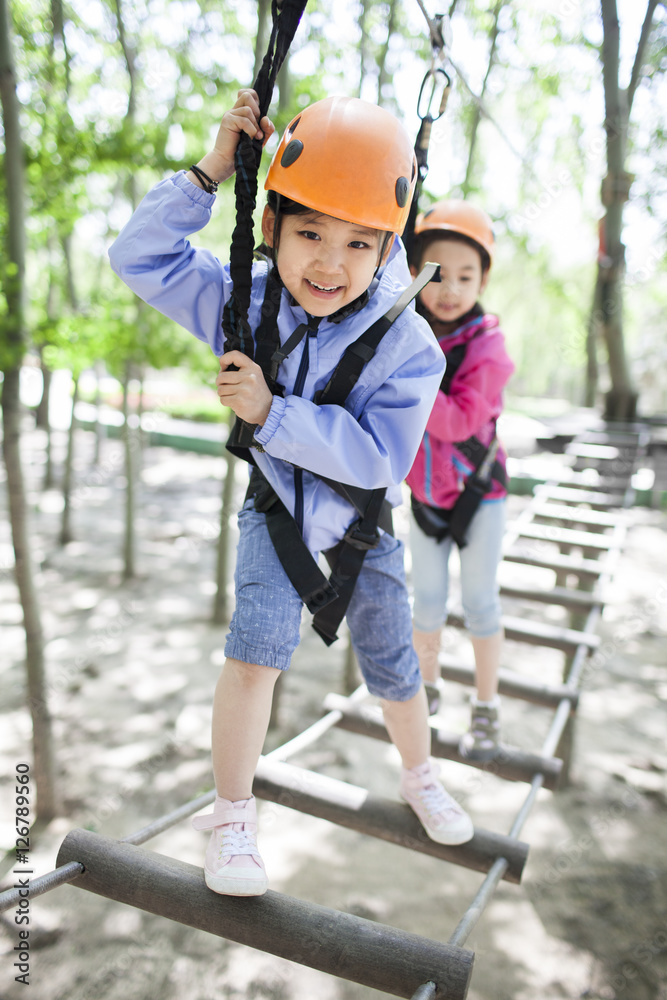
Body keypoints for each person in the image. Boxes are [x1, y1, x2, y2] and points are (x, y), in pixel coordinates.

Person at [109, 90, 474, 897]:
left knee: (392, 666)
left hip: (361, 531)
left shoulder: (407, 345)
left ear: (386, 251)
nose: (327, 263)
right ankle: (232, 814)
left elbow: (380, 458)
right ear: (270, 224)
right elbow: (137, 257)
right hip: (276, 514)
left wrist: (275, 414)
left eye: (356, 243)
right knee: (252, 656)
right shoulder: (247, 301)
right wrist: (212, 171)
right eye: (308, 232)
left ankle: (418, 772)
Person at [405, 200, 515, 760]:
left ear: (483, 279)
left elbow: (457, 420)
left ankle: (487, 705)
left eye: (466, 276)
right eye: (437, 274)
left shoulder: (486, 348)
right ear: (415, 274)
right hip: (423, 496)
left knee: (479, 603)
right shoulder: (404, 330)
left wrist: (406, 378)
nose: (450, 289)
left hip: (479, 497)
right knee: (425, 604)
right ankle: (427, 690)